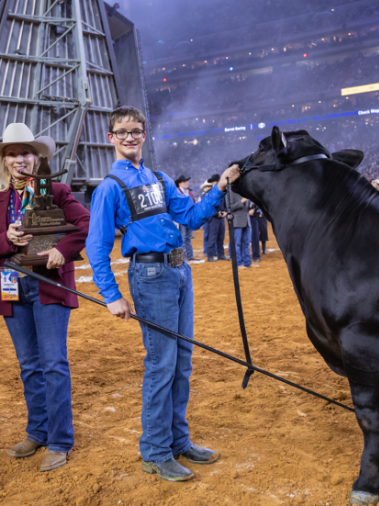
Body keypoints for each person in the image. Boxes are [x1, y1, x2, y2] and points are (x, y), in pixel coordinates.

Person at [86, 105, 241, 482]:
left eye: (136, 130)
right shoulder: (110, 187)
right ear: (112, 138)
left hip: (179, 270)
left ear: (144, 134)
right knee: (161, 364)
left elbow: (190, 217)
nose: (129, 137)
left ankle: (177, 440)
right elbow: (97, 246)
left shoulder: (159, 178)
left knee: (182, 360)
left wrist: (219, 188)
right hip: (151, 274)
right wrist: (111, 295)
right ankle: (155, 451)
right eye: (122, 132)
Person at [0, 123, 90, 472]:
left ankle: (59, 440)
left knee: (54, 364)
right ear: (4, 160)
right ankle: (37, 431)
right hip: (12, 283)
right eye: (11, 154)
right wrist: (7, 239)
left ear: (36, 157)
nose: (19, 159)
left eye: (25, 152)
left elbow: (86, 222)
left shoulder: (54, 190)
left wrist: (62, 249)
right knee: (29, 366)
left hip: (47, 282)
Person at [203, 174, 228, 262]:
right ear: (214, 182)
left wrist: (225, 212)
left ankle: (221, 255)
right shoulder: (208, 193)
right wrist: (216, 214)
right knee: (212, 238)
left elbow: (225, 205)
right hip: (213, 218)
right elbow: (207, 208)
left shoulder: (222, 193)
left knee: (221, 237)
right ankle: (210, 256)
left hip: (221, 218)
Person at [227, 191, 253, 268]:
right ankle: (238, 263)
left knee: (247, 243)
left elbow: (247, 206)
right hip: (237, 221)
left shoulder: (244, 192)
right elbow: (229, 207)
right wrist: (241, 201)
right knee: (237, 244)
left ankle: (247, 262)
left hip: (246, 221)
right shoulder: (230, 192)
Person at [174, 175, 195, 261]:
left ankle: (190, 255)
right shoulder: (176, 192)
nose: (186, 183)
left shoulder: (189, 192)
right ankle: (182, 257)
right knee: (182, 237)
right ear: (179, 183)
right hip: (181, 218)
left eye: (186, 181)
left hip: (189, 218)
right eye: (184, 181)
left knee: (188, 237)